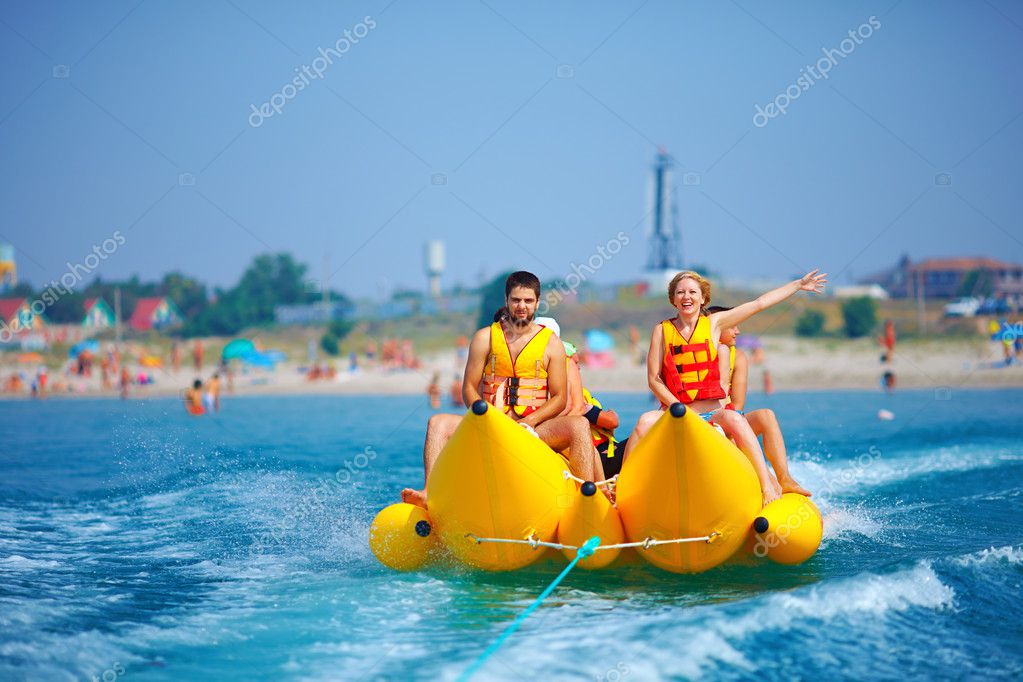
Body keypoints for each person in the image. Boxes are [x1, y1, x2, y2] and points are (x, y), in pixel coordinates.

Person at [401, 271, 603, 509]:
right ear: (506, 300)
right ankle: (428, 493)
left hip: (535, 428)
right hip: (491, 424)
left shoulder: (552, 344)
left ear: (537, 302)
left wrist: (530, 422)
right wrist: (488, 418)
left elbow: (559, 397)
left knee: (579, 425)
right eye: (516, 300)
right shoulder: (484, 338)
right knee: (437, 423)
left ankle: (585, 501)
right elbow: (469, 388)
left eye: (528, 301)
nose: (522, 306)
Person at [624, 269, 826, 505]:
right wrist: (678, 407)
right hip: (677, 413)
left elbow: (759, 303)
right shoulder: (662, 330)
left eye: (692, 292)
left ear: (703, 298)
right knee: (644, 422)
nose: (686, 297)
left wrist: (798, 285)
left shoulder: (715, 323)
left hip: (711, 413)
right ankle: (622, 487)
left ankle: (766, 486)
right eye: (680, 292)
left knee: (736, 420)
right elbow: (654, 379)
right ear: (673, 299)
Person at [709, 306, 811, 497]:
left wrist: (731, 432)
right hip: (703, 423)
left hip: (729, 421)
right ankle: (769, 484)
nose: (737, 331)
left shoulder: (738, 357)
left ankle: (784, 479)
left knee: (766, 415)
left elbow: (737, 405)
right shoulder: (695, 355)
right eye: (732, 326)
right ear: (716, 328)